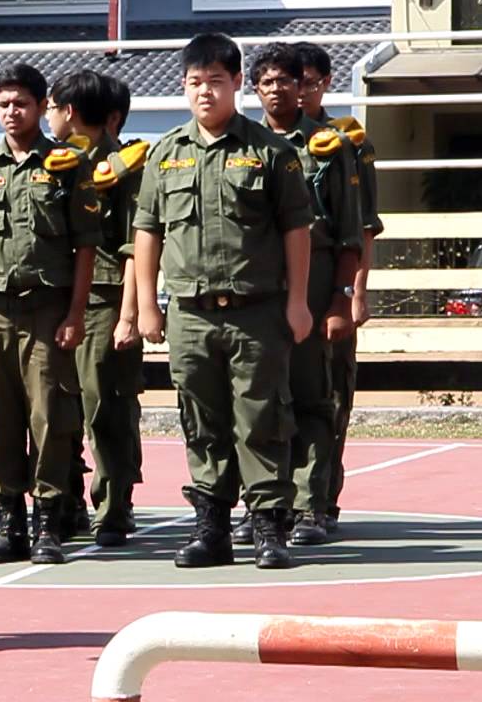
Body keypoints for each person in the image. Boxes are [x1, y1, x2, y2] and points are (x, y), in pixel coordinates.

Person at [133, 33, 314, 570]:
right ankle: (210, 529)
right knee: (201, 421)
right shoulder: (166, 155)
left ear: (237, 83)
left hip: (257, 310)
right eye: (195, 83)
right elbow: (147, 232)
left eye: (215, 81)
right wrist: (147, 304)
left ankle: (268, 528)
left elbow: (296, 231)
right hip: (189, 312)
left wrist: (298, 301)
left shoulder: (269, 151)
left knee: (262, 418)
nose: (204, 92)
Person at [0, 63, 100, 566]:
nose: (11, 113)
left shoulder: (65, 165)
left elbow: (85, 247)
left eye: (21, 104)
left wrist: (76, 313)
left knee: (51, 417)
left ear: (40, 108)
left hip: (46, 309)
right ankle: (8, 521)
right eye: (3, 104)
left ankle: (49, 523)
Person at [247, 43, 362, 547]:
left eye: (287, 80)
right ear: (255, 89)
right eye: (267, 81)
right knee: (260, 400)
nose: (278, 89)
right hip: (258, 285)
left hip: (313, 279)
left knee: (313, 398)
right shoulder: (243, 145)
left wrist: (341, 299)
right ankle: (265, 505)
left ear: (304, 86)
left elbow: (351, 232)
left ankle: (310, 506)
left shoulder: (330, 147)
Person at [44, 70, 148, 548]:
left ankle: (112, 505)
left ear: (68, 112)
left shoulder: (122, 168)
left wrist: (129, 313)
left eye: (51, 107)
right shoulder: (51, 162)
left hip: (106, 297)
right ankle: (63, 502)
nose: (47, 117)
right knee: (55, 406)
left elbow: (134, 246)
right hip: (57, 297)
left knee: (105, 405)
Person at [296, 41, 385, 534]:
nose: (299, 91)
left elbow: (363, 225)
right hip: (282, 294)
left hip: (331, 284)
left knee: (331, 395)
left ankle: (322, 500)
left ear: (325, 83)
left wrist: (356, 292)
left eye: (308, 82)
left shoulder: (347, 142)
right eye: (293, 82)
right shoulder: (266, 143)